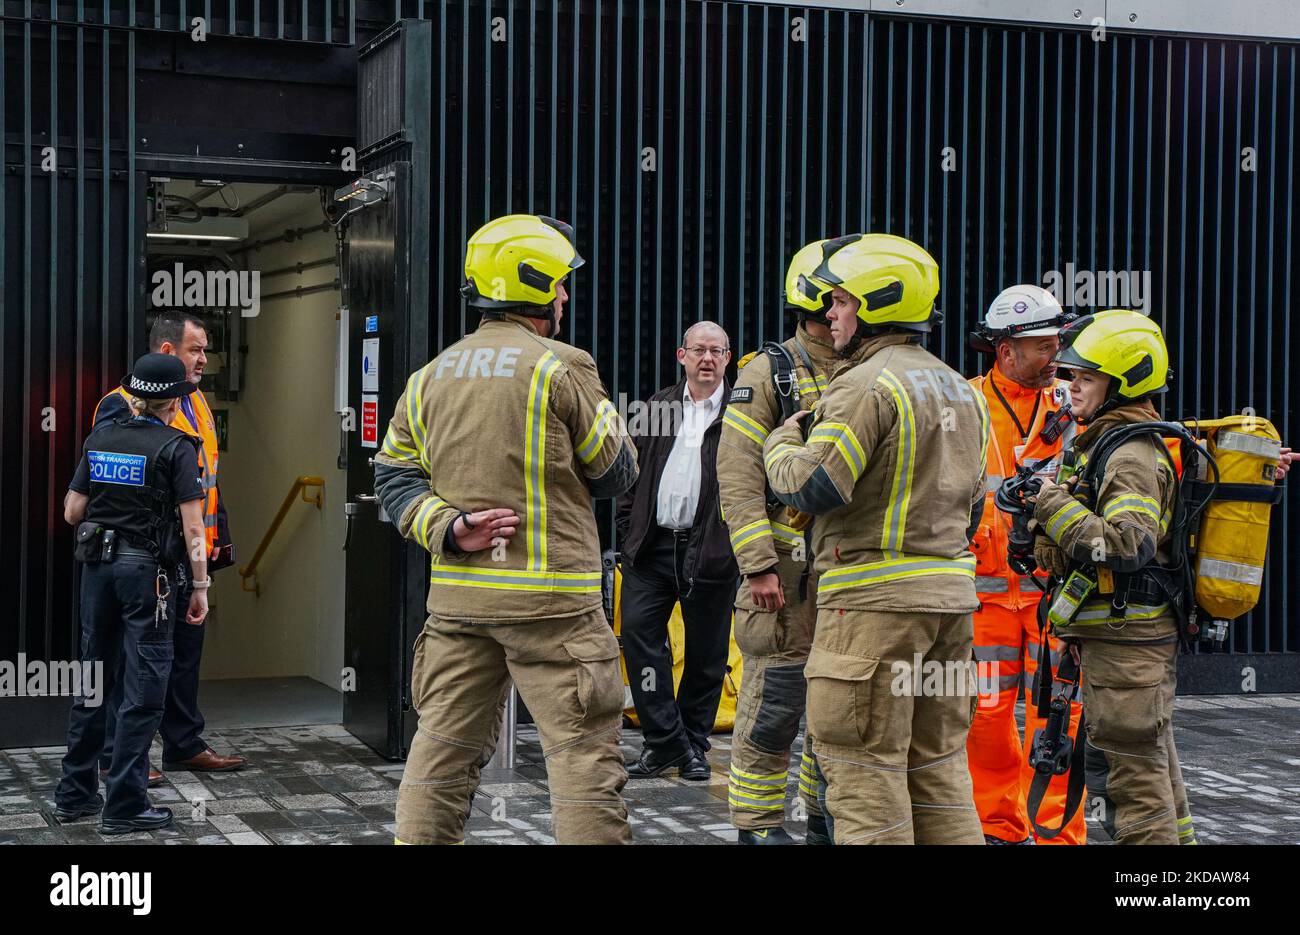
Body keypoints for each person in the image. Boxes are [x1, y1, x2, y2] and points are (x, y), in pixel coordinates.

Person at [374, 213, 638, 845]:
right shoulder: (562, 366)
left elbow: (393, 478)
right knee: (582, 761)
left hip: (460, 604)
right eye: (560, 284)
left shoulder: (429, 375)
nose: (566, 296)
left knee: (439, 754)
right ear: (534, 285)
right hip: (555, 609)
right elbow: (616, 471)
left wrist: (451, 527)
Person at [762, 233, 990, 844]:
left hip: (870, 610)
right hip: (950, 606)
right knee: (939, 771)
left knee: (864, 771)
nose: (828, 314)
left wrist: (781, 442)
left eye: (839, 301)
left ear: (875, 304)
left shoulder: (863, 384)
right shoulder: (962, 390)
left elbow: (814, 486)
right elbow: (974, 500)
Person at [715, 237, 859, 844]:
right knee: (774, 707)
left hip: (850, 577)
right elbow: (737, 473)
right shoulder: (767, 371)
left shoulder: (868, 369)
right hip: (786, 582)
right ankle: (758, 828)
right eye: (838, 300)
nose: (842, 313)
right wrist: (757, 565)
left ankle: (822, 819)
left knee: (837, 711)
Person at [55, 353, 210, 834]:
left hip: (98, 572)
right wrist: (201, 585)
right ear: (175, 402)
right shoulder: (178, 447)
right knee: (144, 687)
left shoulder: (100, 438)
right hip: (147, 577)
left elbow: (72, 512)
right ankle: (124, 804)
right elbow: (193, 528)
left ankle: (74, 795)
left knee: (93, 681)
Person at [93, 310, 244, 780]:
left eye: (204, 349)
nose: (204, 358)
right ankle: (120, 752)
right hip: (142, 556)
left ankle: (182, 743)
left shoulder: (195, 401)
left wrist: (215, 540)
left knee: (183, 651)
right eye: (196, 349)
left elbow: (202, 480)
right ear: (167, 352)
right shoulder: (118, 406)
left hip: (187, 553)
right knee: (132, 657)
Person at [964, 285, 1085, 845]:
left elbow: (1146, 439)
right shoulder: (963, 403)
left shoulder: (1074, 404)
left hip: (1053, 593)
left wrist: (1241, 459)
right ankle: (998, 829)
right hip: (984, 596)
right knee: (985, 717)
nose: (1056, 352)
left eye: (1058, 340)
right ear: (1005, 348)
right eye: (1044, 343)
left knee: (1059, 718)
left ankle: (1057, 833)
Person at [616, 322, 739, 782]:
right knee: (643, 643)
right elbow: (631, 471)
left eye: (717, 351)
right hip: (651, 548)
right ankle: (667, 743)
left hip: (711, 550)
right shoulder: (658, 407)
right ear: (680, 354)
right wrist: (629, 528)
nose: (707, 359)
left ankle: (693, 744)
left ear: (728, 358)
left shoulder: (741, 410)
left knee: (707, 656)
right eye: (699, 350)